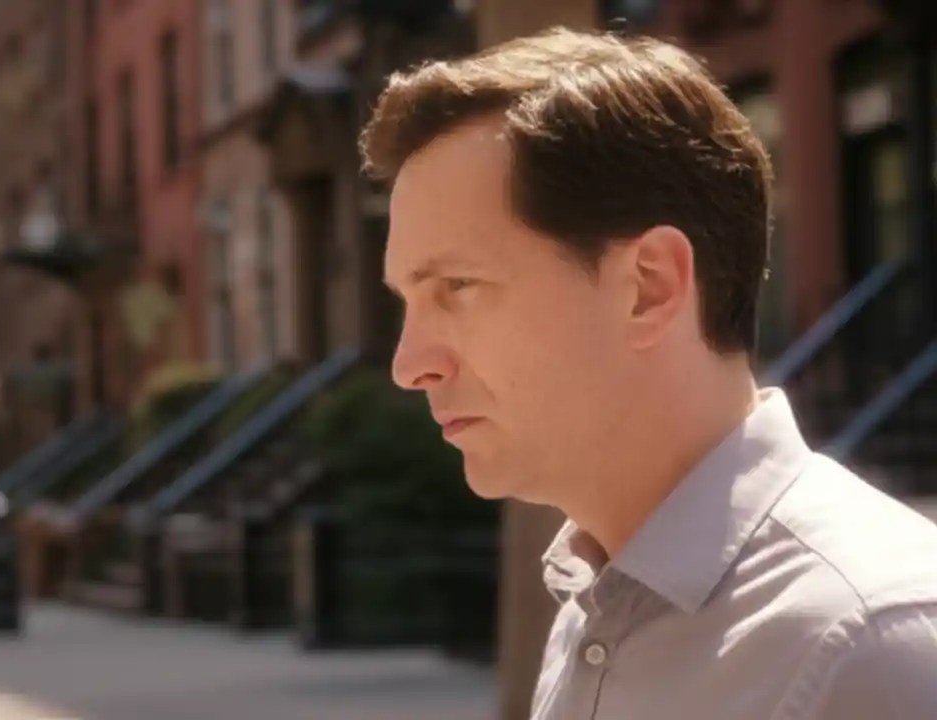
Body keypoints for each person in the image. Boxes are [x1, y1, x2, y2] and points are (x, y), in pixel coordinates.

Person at [362, 26, 937, 719]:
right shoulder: (597, 606)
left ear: (650, 286)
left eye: (456, 286)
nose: (409, 365)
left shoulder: (873, 645)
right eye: (408, 303)